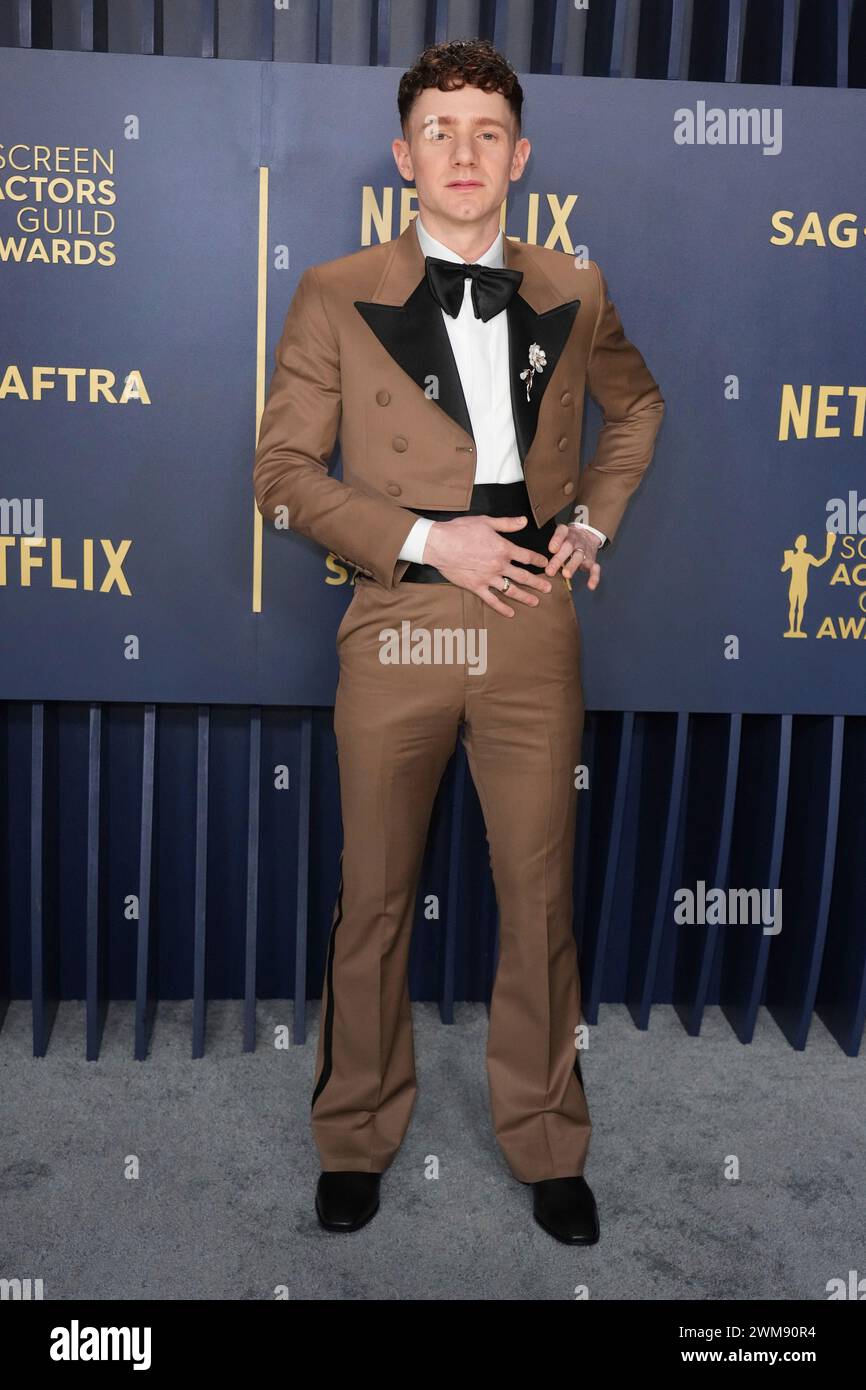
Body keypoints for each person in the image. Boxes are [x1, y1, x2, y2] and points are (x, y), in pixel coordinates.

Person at [253, 37, 665, 1244]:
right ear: (404, 155)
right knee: (374, 896)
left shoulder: (573, 289)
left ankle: (545, 1141)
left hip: (533, 617)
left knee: (536, 895)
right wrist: (434, 541)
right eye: (440, 130)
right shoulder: (334, 291)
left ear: (520, 155)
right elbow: (280, 478)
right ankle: (355, 1131)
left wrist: (591, 517)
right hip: (398, 617)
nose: (464, 151)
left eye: (487, 131)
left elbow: (635, 406)